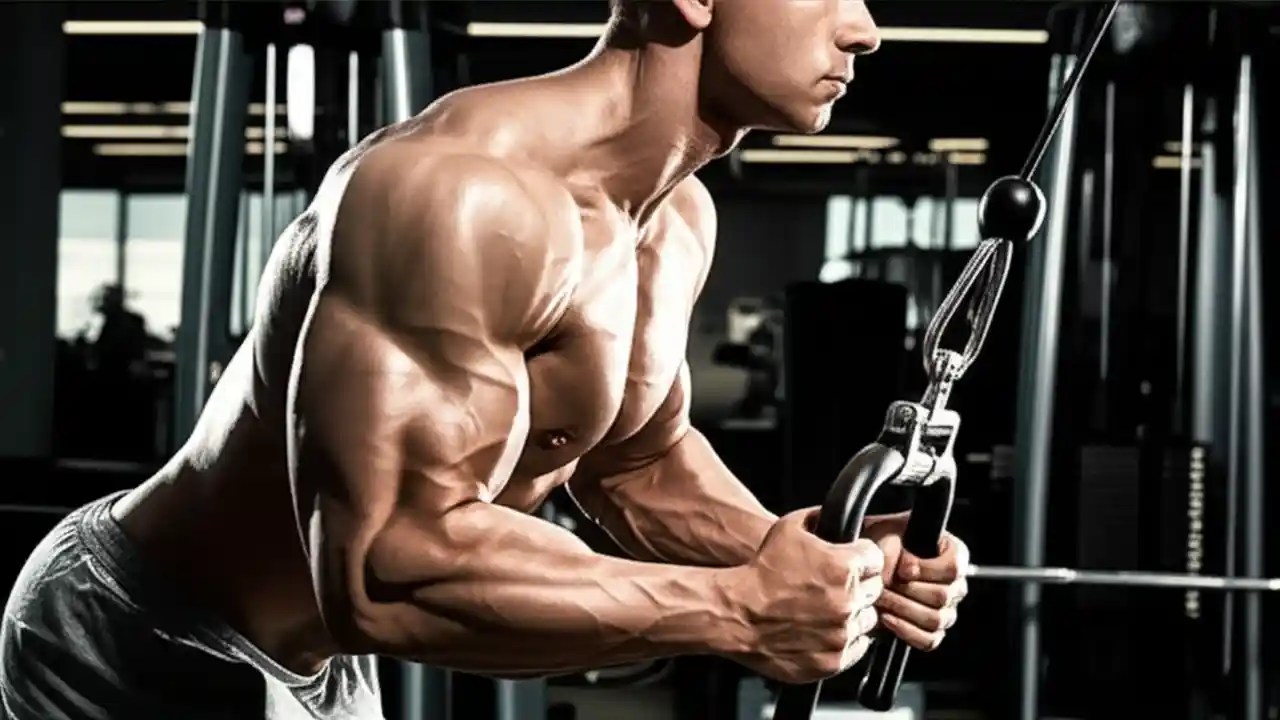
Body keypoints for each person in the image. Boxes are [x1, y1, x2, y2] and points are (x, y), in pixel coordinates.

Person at [1, 0, 970, 717]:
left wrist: (815, 568)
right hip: (138, 634)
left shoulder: (673, 220)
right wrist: (736, 610)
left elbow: (630, 459)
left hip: (318, 667)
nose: (864, 29)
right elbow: (385, 565)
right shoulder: (461, 195)